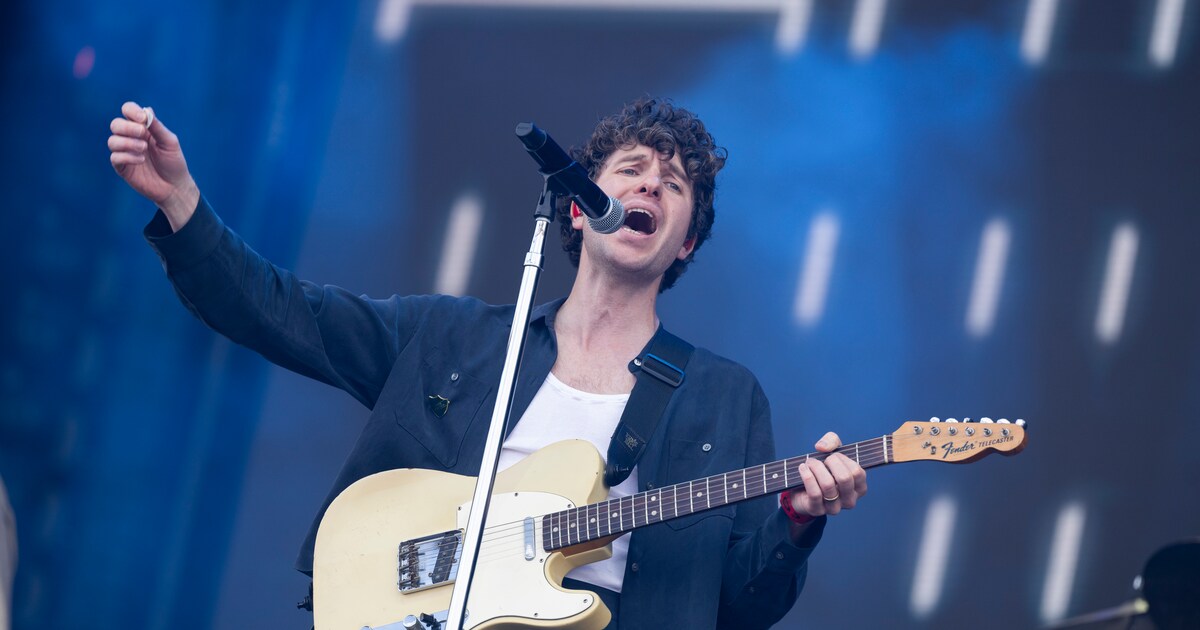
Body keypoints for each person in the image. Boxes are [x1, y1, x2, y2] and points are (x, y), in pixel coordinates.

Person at [109, 97, 868, 629]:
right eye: (633, 169)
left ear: (687, 240)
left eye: (674, 187)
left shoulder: (723, 398)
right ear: (578, 204)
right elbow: (283, 313)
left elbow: (742, 605)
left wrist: (797, 523)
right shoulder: (454, 340)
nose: (649, 186)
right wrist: (182, 203)